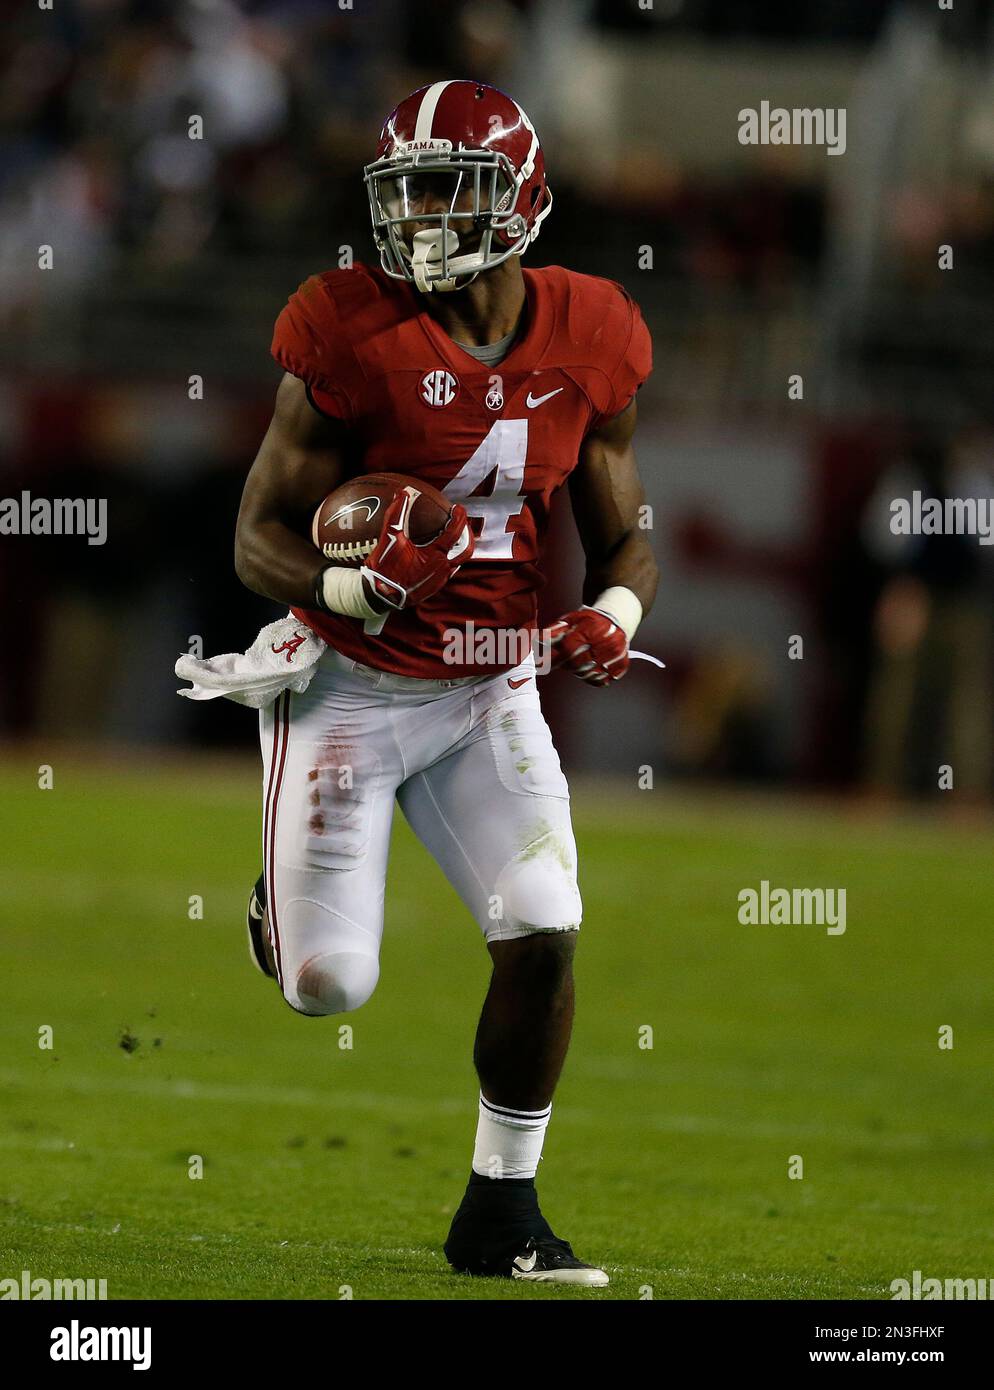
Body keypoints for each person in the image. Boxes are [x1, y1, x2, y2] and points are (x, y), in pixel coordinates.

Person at [233, 80, 656, 1284]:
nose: (420, 214)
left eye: (448, 185)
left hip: (490, 691)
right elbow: (256, 534)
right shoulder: (345, 325)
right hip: (351, 685)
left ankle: (500, 1214)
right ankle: (279, 885)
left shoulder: (594, 332)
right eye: (403, 186)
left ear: (522, 197)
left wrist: (615, 615)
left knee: (546, 924)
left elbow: (628, 533)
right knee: (329, 988)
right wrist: (343, 590)